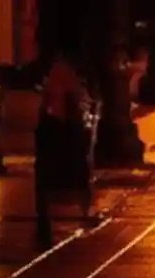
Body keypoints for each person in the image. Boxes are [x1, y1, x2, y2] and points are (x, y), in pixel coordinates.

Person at [34, 48, 95, 245]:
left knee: (44, 176)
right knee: (75, 172)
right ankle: (83, 210)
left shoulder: (56, 75)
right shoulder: (68, 78)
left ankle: (44, 221)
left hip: (56, 128)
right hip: (64, 129)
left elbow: (49, 104)